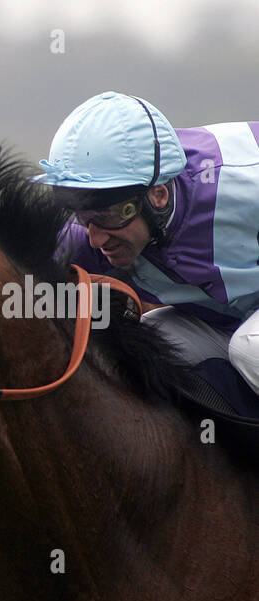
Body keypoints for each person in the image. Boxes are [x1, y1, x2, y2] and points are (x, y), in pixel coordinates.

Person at [34, 91, 259, 398]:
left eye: (111, 215)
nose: (96, 239)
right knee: (141, 348)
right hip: (227, 322)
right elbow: (21, 288)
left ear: (159, 196)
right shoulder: (86, 238)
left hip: (245, 336)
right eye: (83, 218)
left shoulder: (243, 182)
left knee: (250, 348)